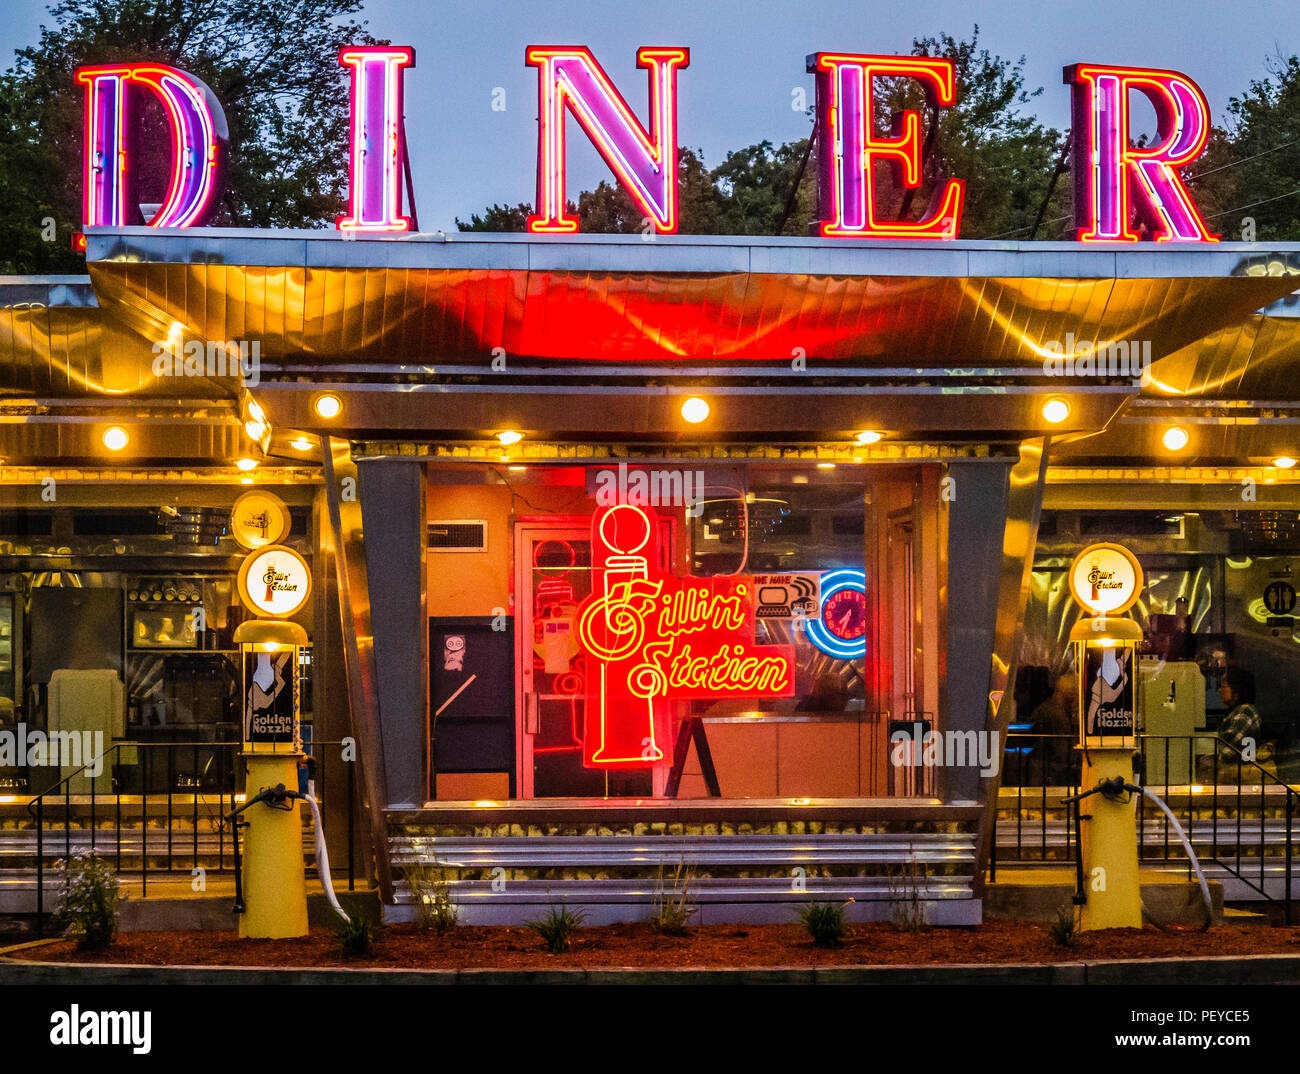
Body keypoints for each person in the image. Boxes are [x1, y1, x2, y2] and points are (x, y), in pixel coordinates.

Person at [1029, 669, 1078, 785]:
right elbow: (1063, 754)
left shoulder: (1046, 709)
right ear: (1071, 694)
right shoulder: (1056, 716)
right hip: (1050, 776)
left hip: (1042, 772)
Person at [1213, 667, 1262, 766]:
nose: (1219, 690)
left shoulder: (1244, 712)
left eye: (1223, 686)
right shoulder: (1236, 711)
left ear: (1236, 690)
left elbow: (1226, 752)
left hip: (1236, 776)